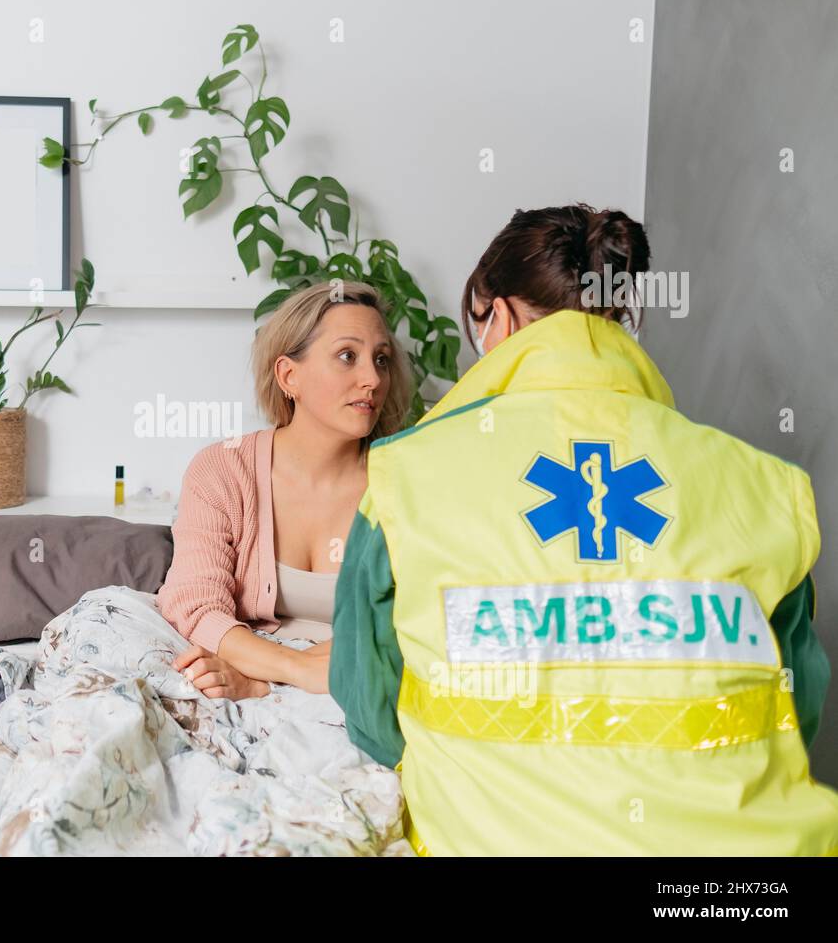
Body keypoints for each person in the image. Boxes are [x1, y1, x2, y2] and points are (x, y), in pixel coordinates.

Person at [331, 203, 838, 855]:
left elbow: (369, 702)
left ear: (500, 316)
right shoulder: (764, 483)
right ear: (623, 317)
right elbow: (797, 708)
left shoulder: (407, 478)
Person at [155, 281, 408, 699]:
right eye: (348, 356)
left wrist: (262, 686)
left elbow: (418, 621)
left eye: (381, 360)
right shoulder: (223, 469)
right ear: (289, 375)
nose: (372, 379)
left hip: (358, 676)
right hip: (254, 661)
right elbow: (196, 603)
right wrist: (289, 669)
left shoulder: (406, 479)